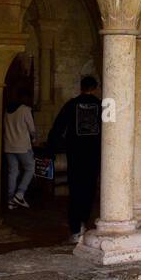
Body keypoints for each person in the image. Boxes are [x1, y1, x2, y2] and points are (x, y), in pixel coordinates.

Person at [44, 75, 102, 242]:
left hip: (76, 155)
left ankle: (75, 229)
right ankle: (83, 220)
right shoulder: (100, 106)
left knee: (75, 190)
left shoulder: (71, 105)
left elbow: (58, 127)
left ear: (81, 88)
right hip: (93, 154)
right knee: (89, 189)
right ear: (95, 88)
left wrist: (50, 150)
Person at [2, 86, 36, 210]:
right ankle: (20, 194)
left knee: (13, 172)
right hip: (22, 146)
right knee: (30, 168)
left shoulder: (7, 110)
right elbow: (32, 129)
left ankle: (10, 200)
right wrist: (34, 138)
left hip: (9, 145)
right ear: (25, 97)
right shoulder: (25, 110)